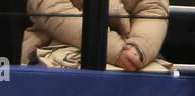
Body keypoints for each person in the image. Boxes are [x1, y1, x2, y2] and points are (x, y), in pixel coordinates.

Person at [22, 0, 175, 73]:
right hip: (54, 48)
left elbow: (153, 10)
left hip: (130, 52)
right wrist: (115, 50)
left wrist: (139, 48)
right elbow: (50, 8)